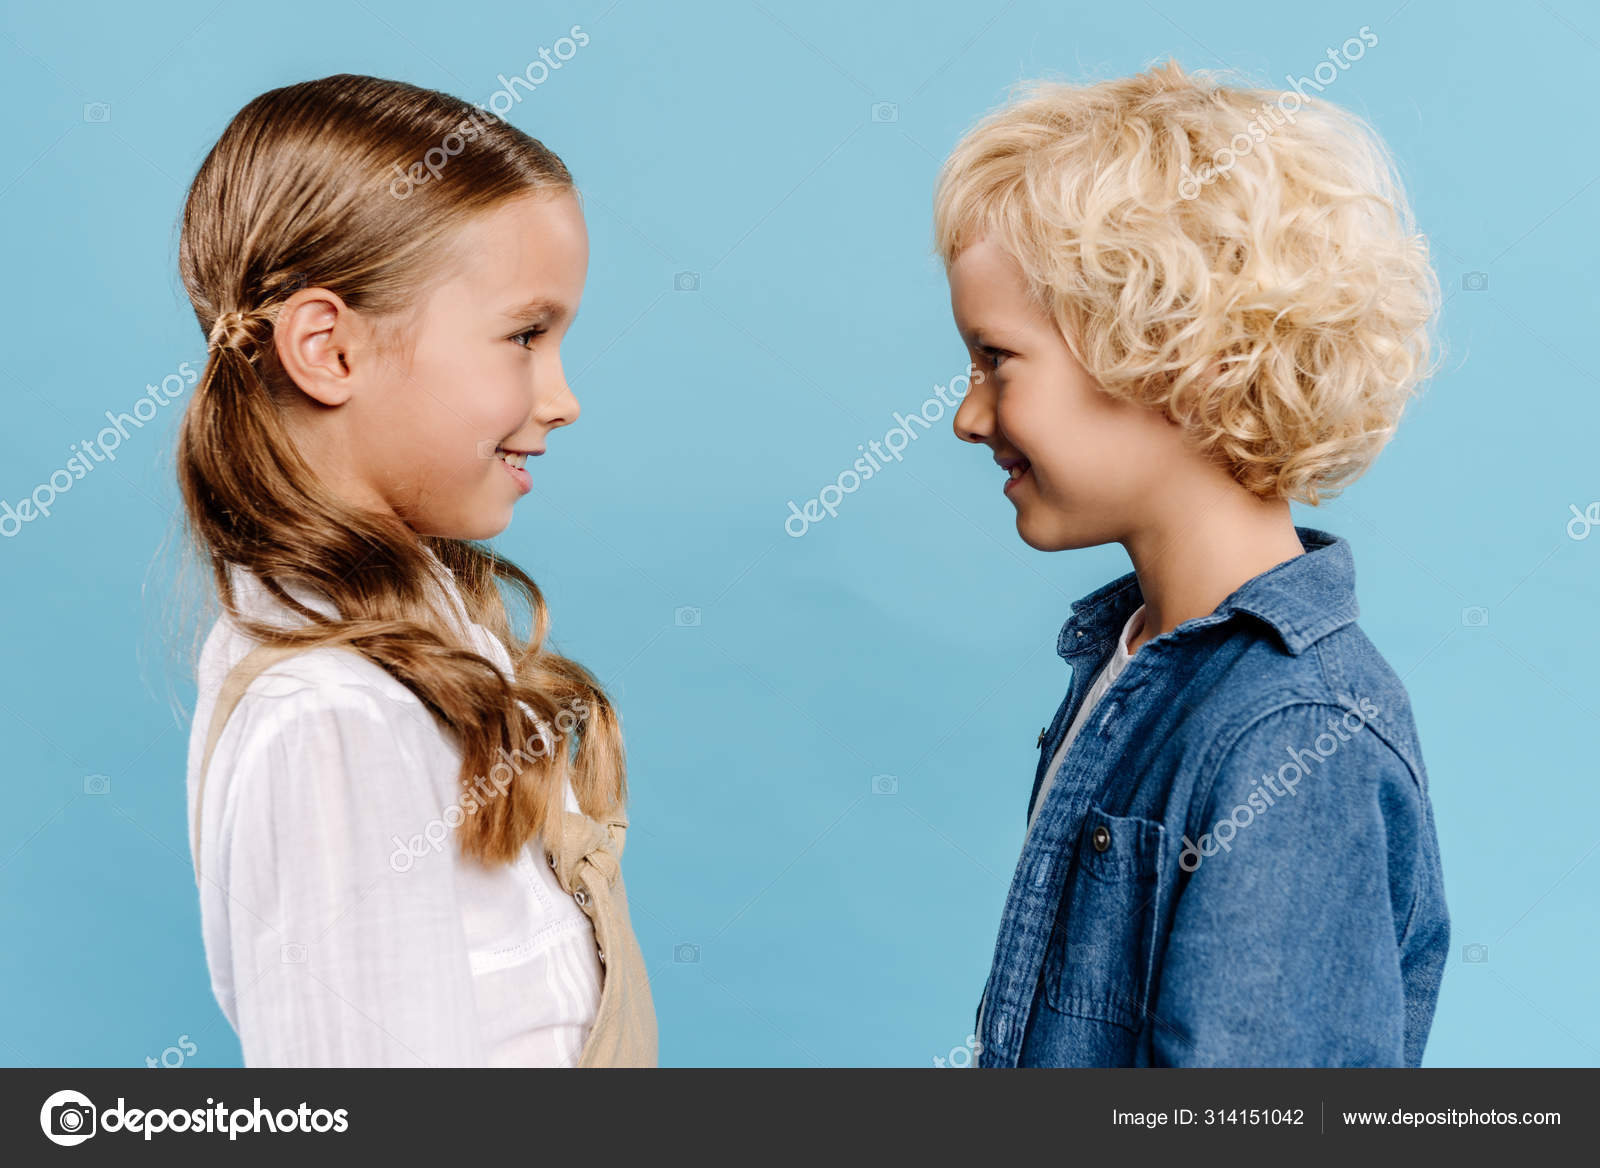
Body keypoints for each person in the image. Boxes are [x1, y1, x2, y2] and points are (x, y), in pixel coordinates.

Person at [932, 60, 1449, 1066]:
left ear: (1163, 352)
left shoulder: (1295, 734)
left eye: (997, 359)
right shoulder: (1127, 662)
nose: (966, 416)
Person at [177, 74, 655, 1066]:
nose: (562, 397)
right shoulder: (334, 718)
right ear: (329, 349)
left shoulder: (424, 644)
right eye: (525, 334)